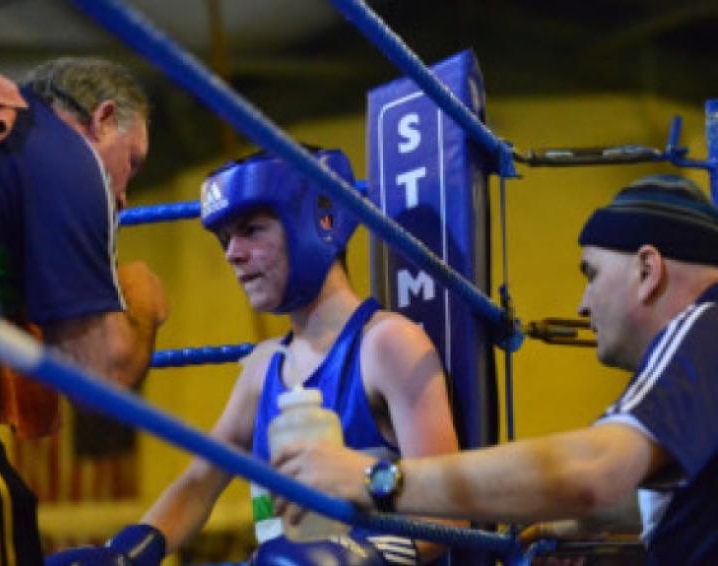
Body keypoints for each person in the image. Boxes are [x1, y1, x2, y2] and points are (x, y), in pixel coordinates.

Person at [274, 174, 718, 565]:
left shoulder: (706, 325)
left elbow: (596, 470)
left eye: (592, 273)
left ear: (648, 269)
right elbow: (672, 489)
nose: (583, 304)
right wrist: (563, 520)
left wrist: (371, 479)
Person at [47, 147, 460, 566]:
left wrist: (358, 557)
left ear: (324, 220)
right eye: (226, 238)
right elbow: (198, 482)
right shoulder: (263, 367)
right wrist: (127, 553)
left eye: (252, 229)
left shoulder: (386, 344)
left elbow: (450, 511)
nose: (232, 253)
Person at [0, 58, 167, 565]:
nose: (123, 195)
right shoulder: (68, 156)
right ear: (101, 119)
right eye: (133, 163)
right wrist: (142, 304)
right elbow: (101, 379)